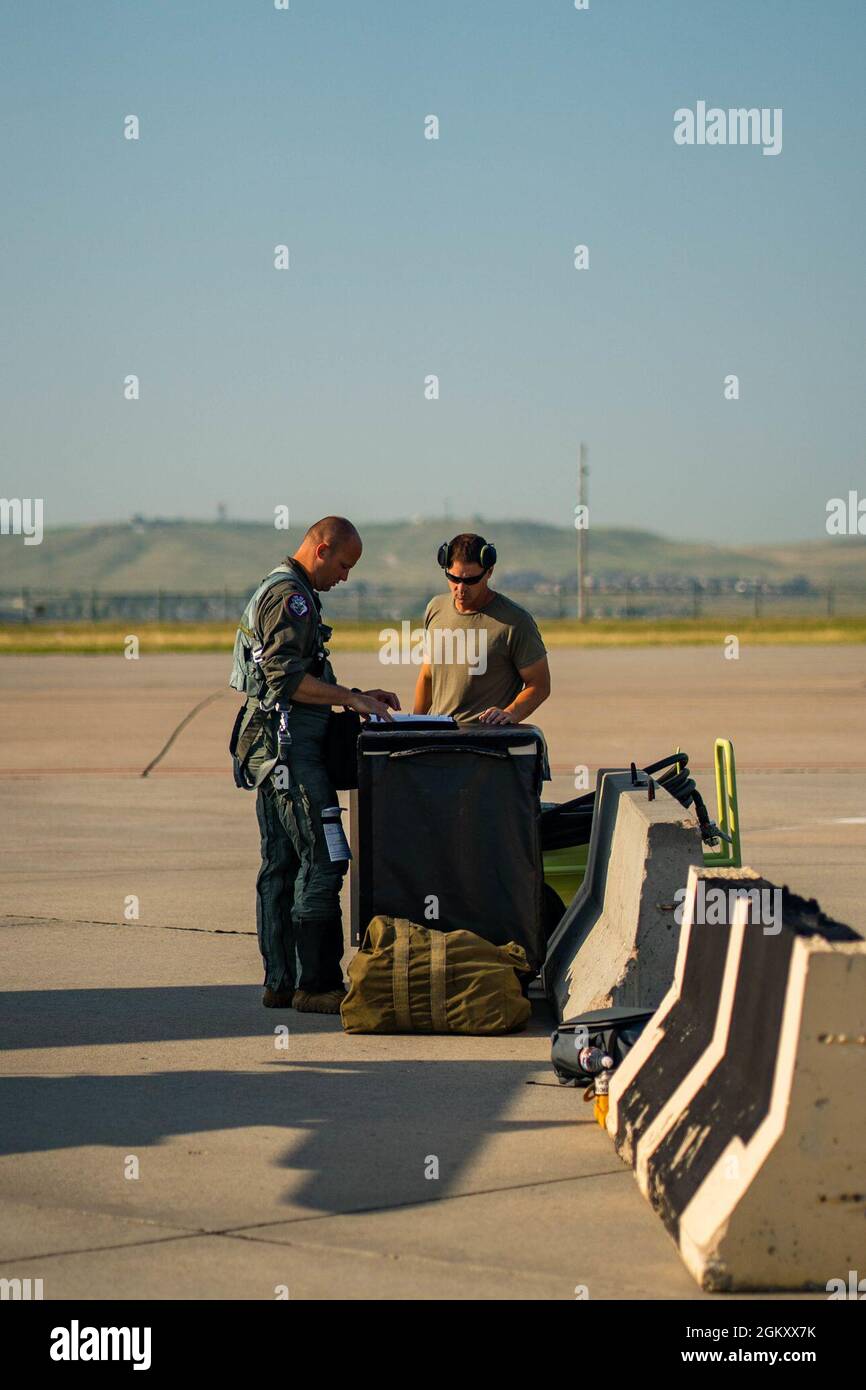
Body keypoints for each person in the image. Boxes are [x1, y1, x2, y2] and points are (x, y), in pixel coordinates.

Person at [229, 517, 399, 1014]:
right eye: (344, 564)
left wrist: (357, 697)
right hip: (292, 755)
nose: (345, 577)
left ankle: (281, 982)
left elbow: (293, 677)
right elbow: (284, 679)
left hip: (271, 754)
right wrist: (348, 697)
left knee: (282, 866)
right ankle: (317, 985)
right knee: (324, 860)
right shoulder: (291, 598)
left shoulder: (283, 589)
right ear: (322, 549)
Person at [413, 533, 551, 725]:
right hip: (439, 740)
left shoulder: (515, 621)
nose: (460, 589)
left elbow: (540, 684)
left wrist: (511, 713)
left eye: (470, 581)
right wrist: (415, 725)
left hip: (486, 744)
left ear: (489, 572)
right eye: (453, 578)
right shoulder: (435, 609)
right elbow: (428, 675)